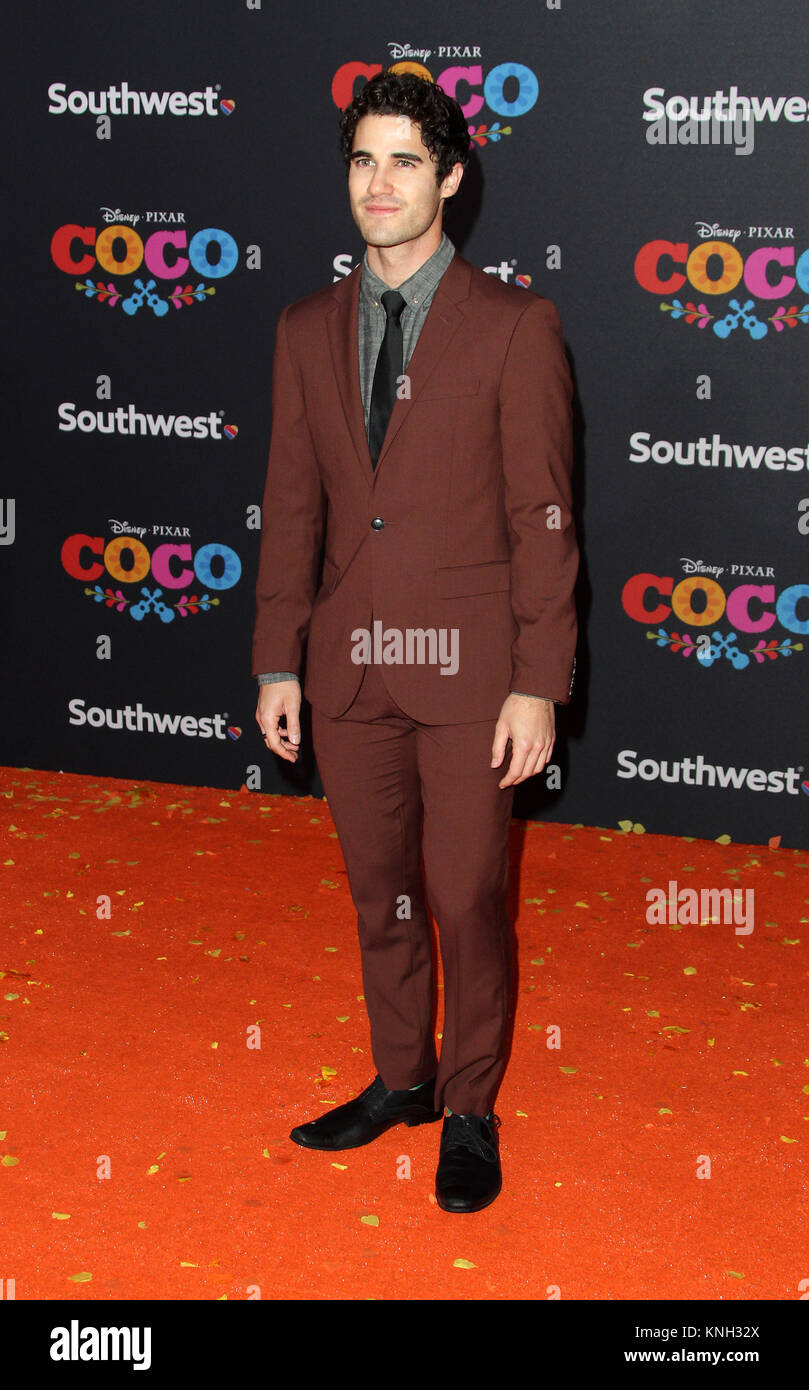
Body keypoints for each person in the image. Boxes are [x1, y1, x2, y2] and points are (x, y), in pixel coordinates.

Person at [251, 71, 578, 1213]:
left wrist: (538, 684)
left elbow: (542, 518)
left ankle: (472, 1103)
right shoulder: (303, 329)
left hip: (467, 668)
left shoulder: (514, 326)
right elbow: (291, 507)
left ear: (448, 176)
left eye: (402, 161)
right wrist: (277, 659)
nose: (378, 184)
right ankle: (403, 1079)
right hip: (346, 666)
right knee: (377, 888)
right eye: (361, 160)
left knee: (463, 889)